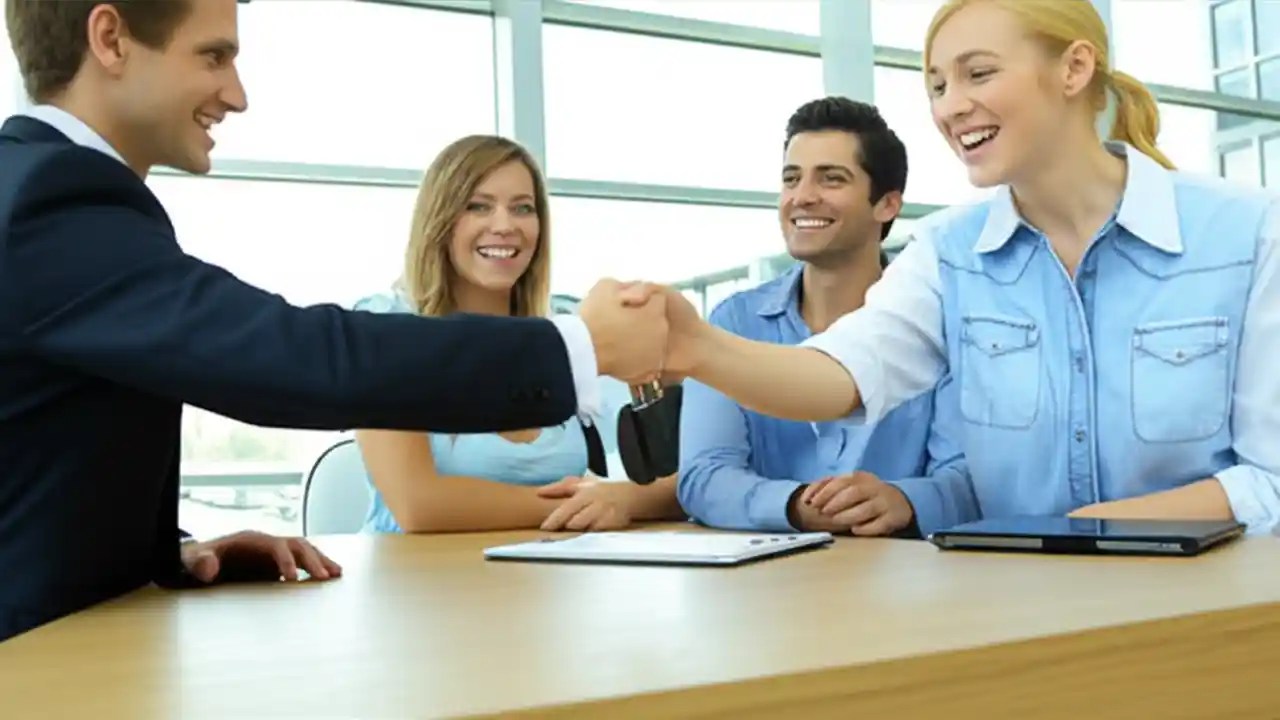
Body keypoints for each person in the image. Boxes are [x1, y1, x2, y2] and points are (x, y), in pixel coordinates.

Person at [0, 0, 663, 642]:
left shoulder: (50, 196)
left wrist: (170, 551)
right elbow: (295, 359)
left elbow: (46, 448)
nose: (237, 95)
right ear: (111, 39)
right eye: (214, 56)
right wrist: (576, 348)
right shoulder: (47, 201)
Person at [652, 0, 1280, 534]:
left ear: (1074, 68)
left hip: (1215, 614)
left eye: (978, 74)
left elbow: (1270, 479)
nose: (951, 107)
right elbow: (839, 374)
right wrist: (694, 346)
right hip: (1020, 611)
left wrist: (1086, 534)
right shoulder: (947, 252)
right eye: (937, 87)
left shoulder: (1249, 232)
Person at [354, 134, 684, 534]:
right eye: (478, 206)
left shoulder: (566, 329)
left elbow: (684, 481)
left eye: (522, 208)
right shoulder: (387, 325)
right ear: (439, 220)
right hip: (418, 571)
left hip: (547, 567)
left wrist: (624, 499)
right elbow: (418, 505)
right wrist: (582, 504)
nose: (504, 225)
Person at [677, 97, 970, 537]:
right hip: (771, 571)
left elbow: (968, 479)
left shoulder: (941, 322)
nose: (802, 197)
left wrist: (904, 500)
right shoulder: (734, 322)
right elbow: (704, 476)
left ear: (887, 205)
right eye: (791, 179)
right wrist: (796, 506)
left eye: (831, 179)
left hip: (910, 567)